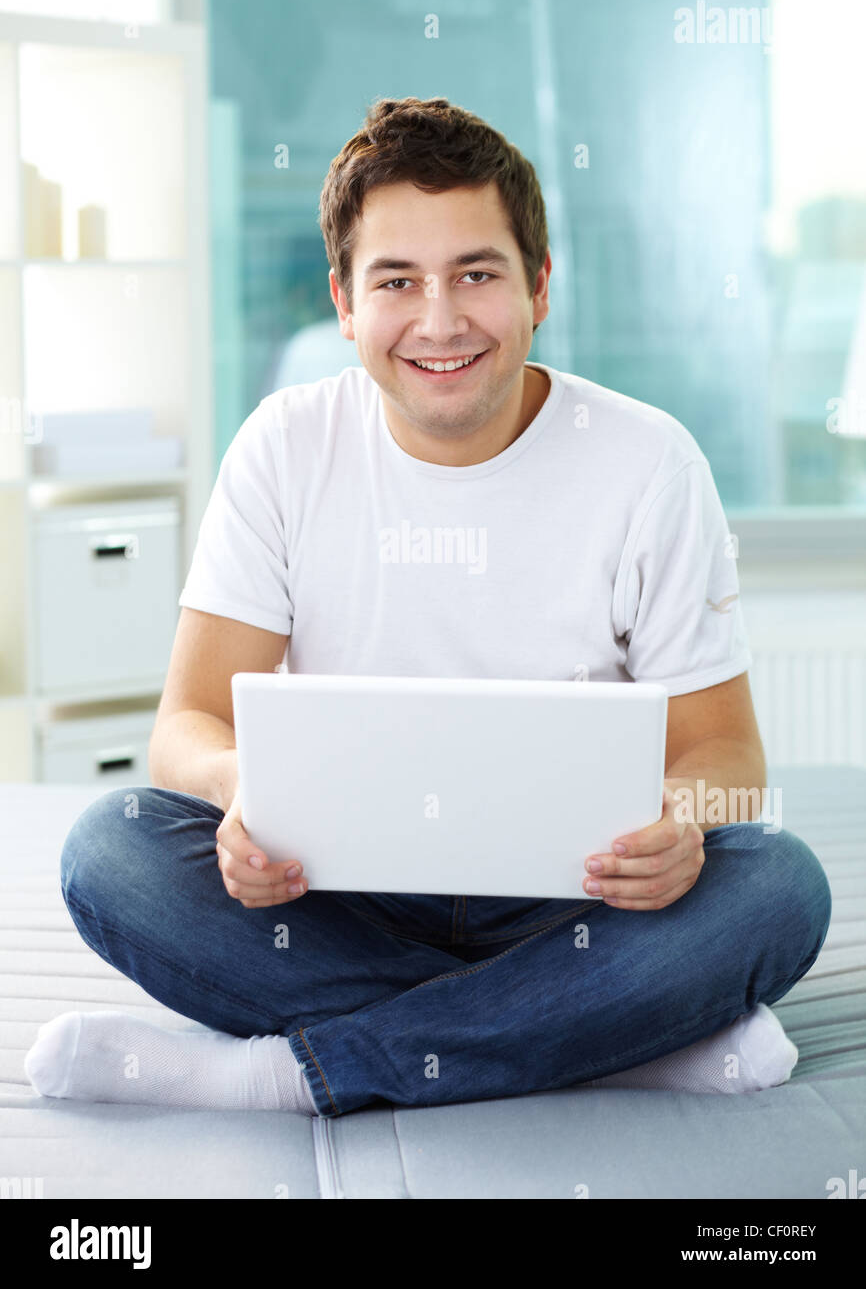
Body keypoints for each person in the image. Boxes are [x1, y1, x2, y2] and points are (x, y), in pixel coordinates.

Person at [27, 96, 831, 1119]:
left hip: (574, 906)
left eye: (477, 275)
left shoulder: (647, 461)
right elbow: (184, 728)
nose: (440, 320)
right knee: (113, 847)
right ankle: (598, 1038)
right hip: (333, 892)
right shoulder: (283, 446)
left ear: (539, 286)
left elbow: (727, 761)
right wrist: (243, 794)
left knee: (774, 884)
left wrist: (678, 819)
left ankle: (286, 1071)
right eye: (396, 281)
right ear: (345, 303)